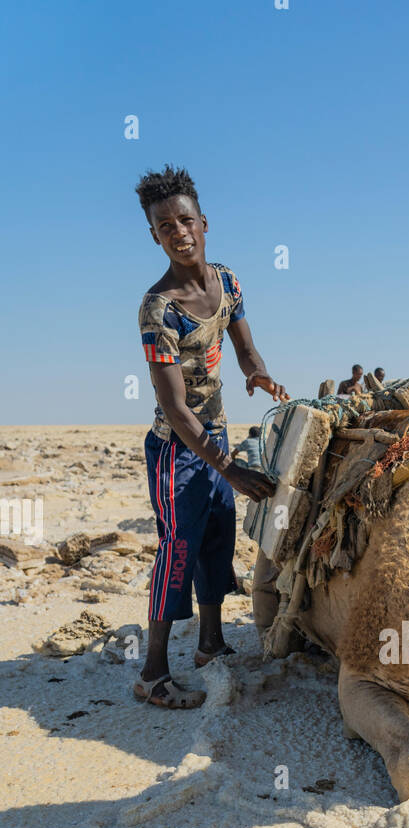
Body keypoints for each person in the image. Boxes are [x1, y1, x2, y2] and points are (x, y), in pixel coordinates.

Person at [133, 164, 288, 709]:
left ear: (204, 222)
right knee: (178, 549)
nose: (178, 232)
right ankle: (153, 672)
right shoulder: (158, 310)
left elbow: (246, 347)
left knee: (218, 543)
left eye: (185, 220)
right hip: (179, 449)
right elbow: (175, 408)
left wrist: (258, 373)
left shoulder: (228, 281)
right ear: (154, 235)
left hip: (217, 438)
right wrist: (231, 469)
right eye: (164, 225)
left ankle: (210, 644)